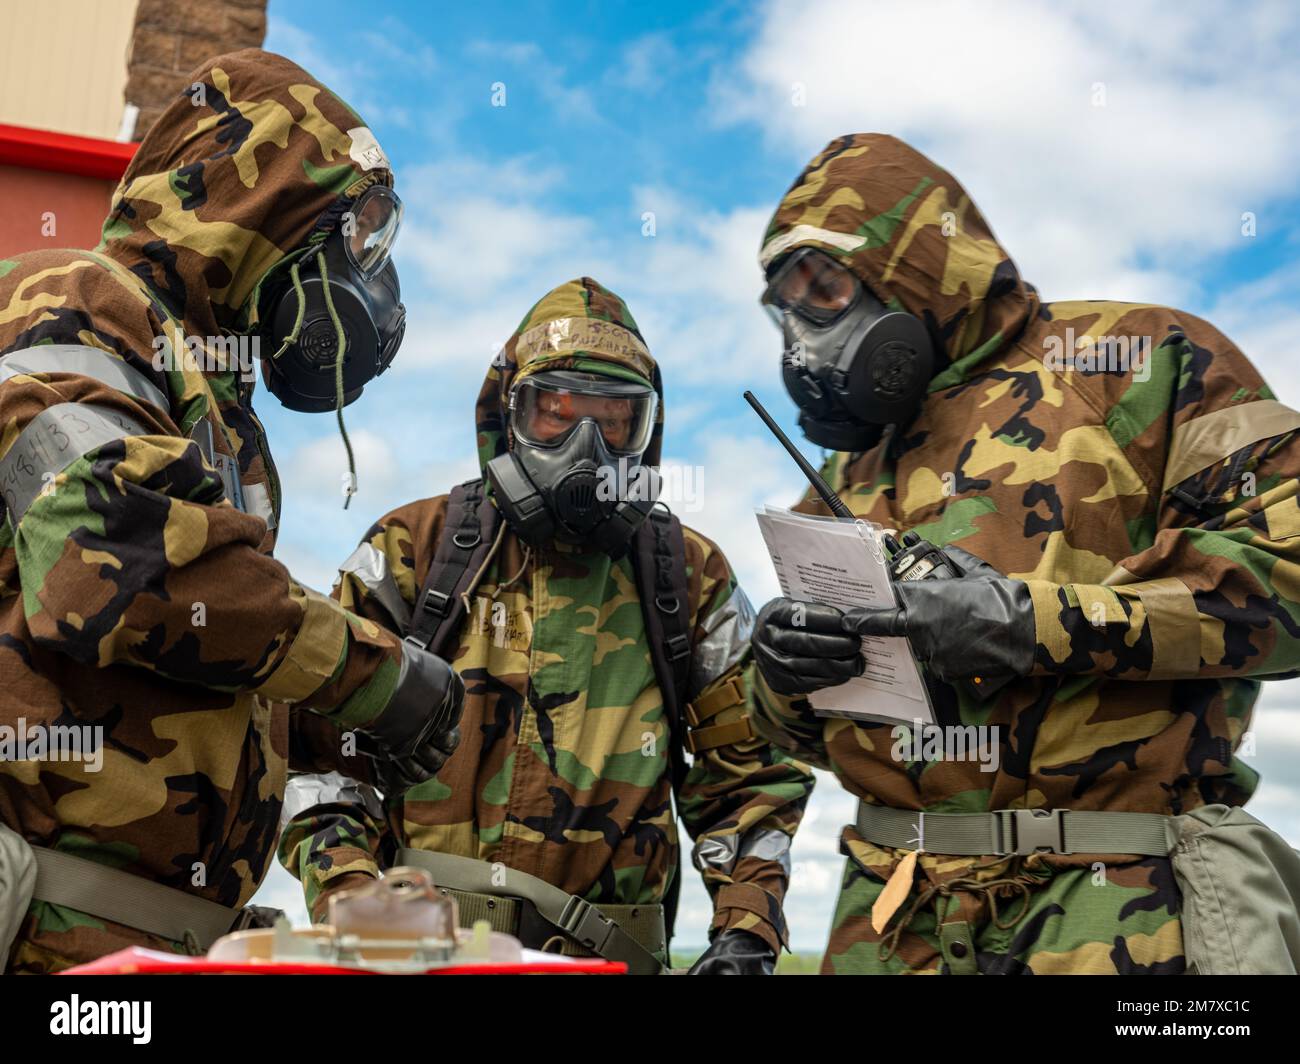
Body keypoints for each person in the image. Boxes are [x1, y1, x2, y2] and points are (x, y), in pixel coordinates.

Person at [749, 133, 1300, 974]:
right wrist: (783, 677)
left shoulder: (1142, 361)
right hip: (892, 920)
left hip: (1118, 906)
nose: (801, 335)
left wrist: (1024, 622)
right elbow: (793, 739)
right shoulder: (843, 475)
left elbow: (1289, 588)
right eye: (784, 308)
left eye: (823, 289)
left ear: (919, 266)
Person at [0, 50, 462, 974]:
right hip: (48, 927)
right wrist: (377, 675)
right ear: (266, 206)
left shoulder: (213, 403)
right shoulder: (75, 300)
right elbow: (110, 561)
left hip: (148, 936)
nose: (366, 273)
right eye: (357, 232)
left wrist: (344, 732)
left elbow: (200, 653)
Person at [279, 277, 815, 974]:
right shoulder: (413, 549)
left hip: (611, 960)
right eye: (556, 412)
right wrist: (353, 897)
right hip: (416, 960)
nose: (585, 446)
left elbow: (751, 775)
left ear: (644, 435)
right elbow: (315, 750)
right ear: (508, 415)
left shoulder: (686, 573)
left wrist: (746, 932)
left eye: (615, 421)